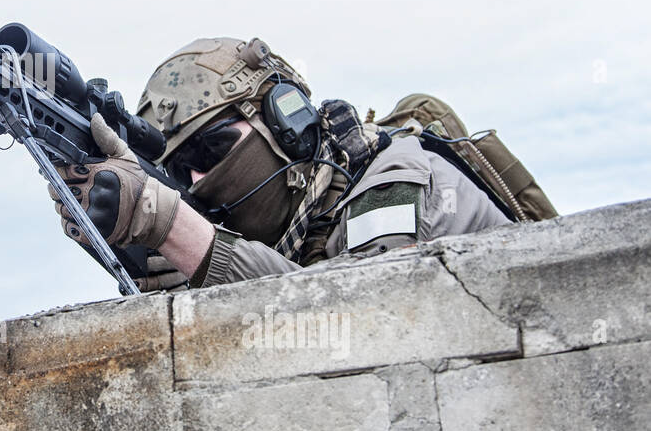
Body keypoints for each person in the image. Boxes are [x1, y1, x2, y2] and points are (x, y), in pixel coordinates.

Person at [50, 37, 515, 290]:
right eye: (179, 168)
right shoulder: (289, 233)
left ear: (285, 122)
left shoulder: (394, 189)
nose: (196, 179)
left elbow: (362, 328)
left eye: (210, 150)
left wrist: (170, 225)